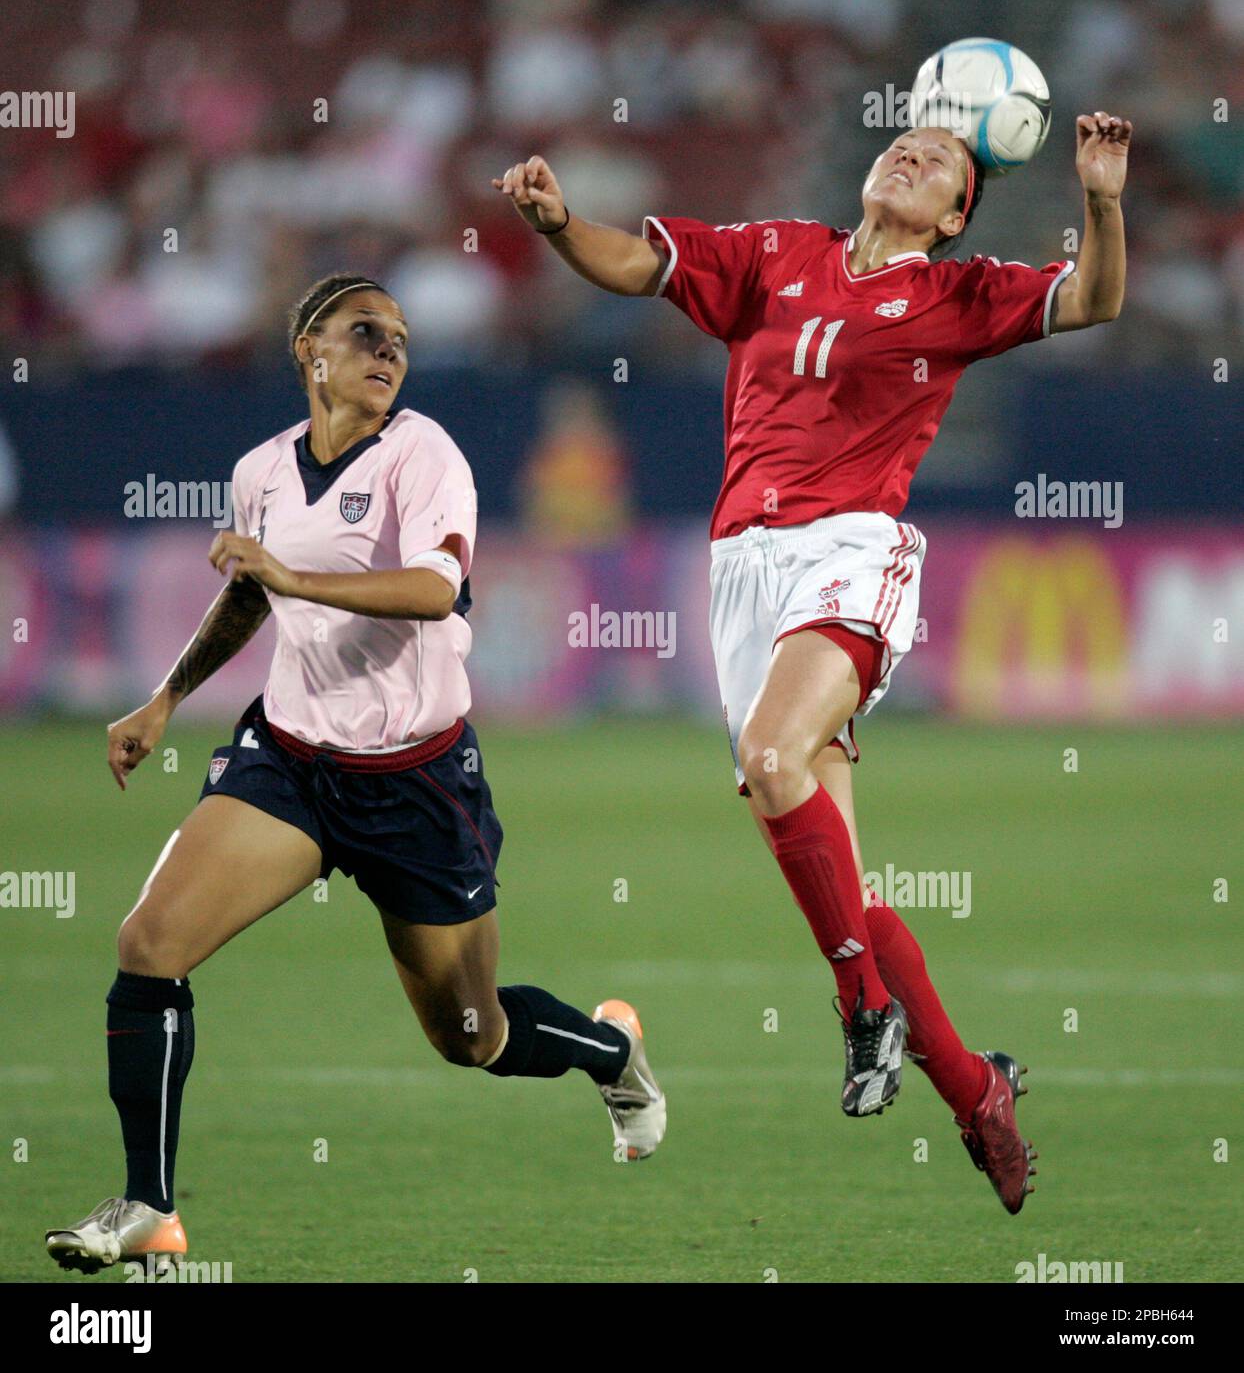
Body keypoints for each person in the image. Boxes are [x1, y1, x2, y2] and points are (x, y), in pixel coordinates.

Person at [494, 112, 1131, 1213]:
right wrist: (557, 225)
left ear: (953, 214)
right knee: (835, 862)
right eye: (902, 142)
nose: (912, 154)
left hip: (850, 551)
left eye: (941, 159)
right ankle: (973, 1088)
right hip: (742, 569)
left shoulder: (958, 293)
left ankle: (857, 1010)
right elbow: (640, 262)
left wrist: (1102, 201)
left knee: (772, 750)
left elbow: (1092, 300)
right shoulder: (774, 254)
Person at [45, 274, 666, 1274]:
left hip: (415, 782)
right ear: (308, 348)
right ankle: (151, 1208)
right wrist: (164, 696)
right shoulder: (260, 472)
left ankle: (610, 1052)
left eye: (401, 340)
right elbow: (250, 599)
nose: (388, 351)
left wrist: (292, 575)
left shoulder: (426, 456)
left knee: (471, 1035)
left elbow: (433, 587)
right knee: (150, 944)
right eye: (364, 332)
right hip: (289, 762)